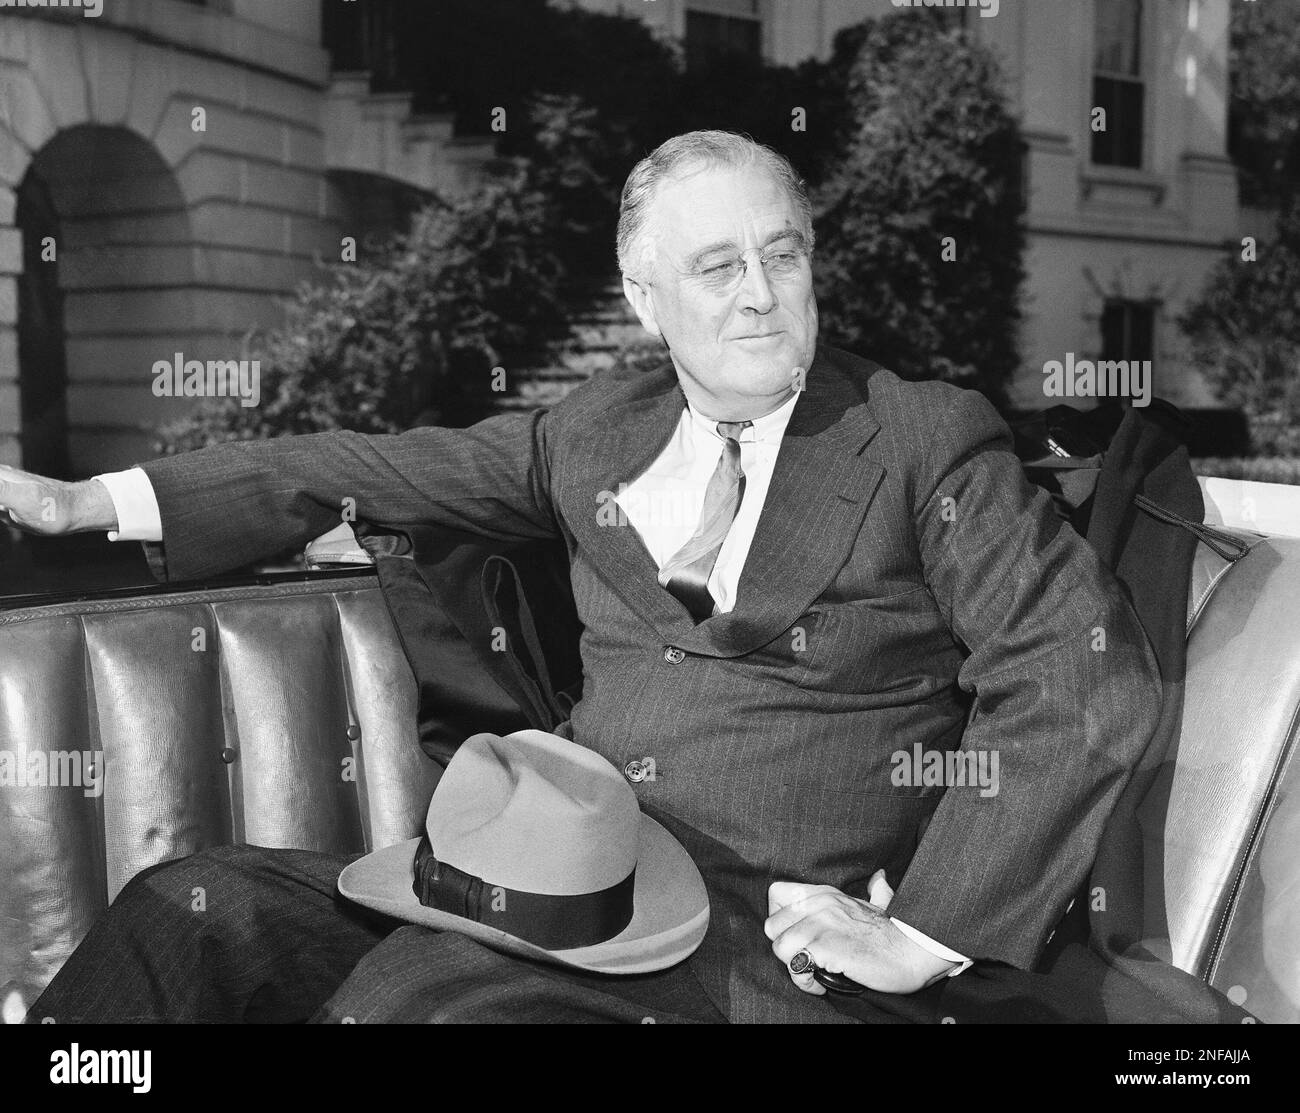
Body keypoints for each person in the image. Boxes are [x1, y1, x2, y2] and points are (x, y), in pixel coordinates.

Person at [1, 131, 1161, 1024]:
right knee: (188, 913)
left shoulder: (918, 438)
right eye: (716, 267)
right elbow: (362, 469)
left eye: (783, 254)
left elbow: (1078, 669)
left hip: (748, 948)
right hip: (550, 874)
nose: (759, 292)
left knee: (411, 1006)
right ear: (644, 301)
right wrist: (90, 502)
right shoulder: (597, 432)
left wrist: (924, 932)